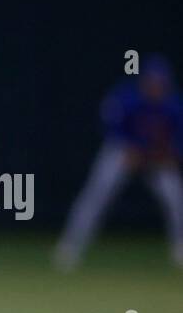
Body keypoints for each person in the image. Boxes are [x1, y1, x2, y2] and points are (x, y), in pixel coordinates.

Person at [54, 54, 183, 269]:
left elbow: (177, 140)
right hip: (123, 152)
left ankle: (179, 247)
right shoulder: (127, 97)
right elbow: (110, 128)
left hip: (155, 157)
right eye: (152, 82)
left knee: (176, 196)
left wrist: (168, 155)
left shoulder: (173, 105)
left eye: (160, 83)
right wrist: (129, 149)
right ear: (143, 80)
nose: (156, 87)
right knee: (96, 194)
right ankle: (71, 246)